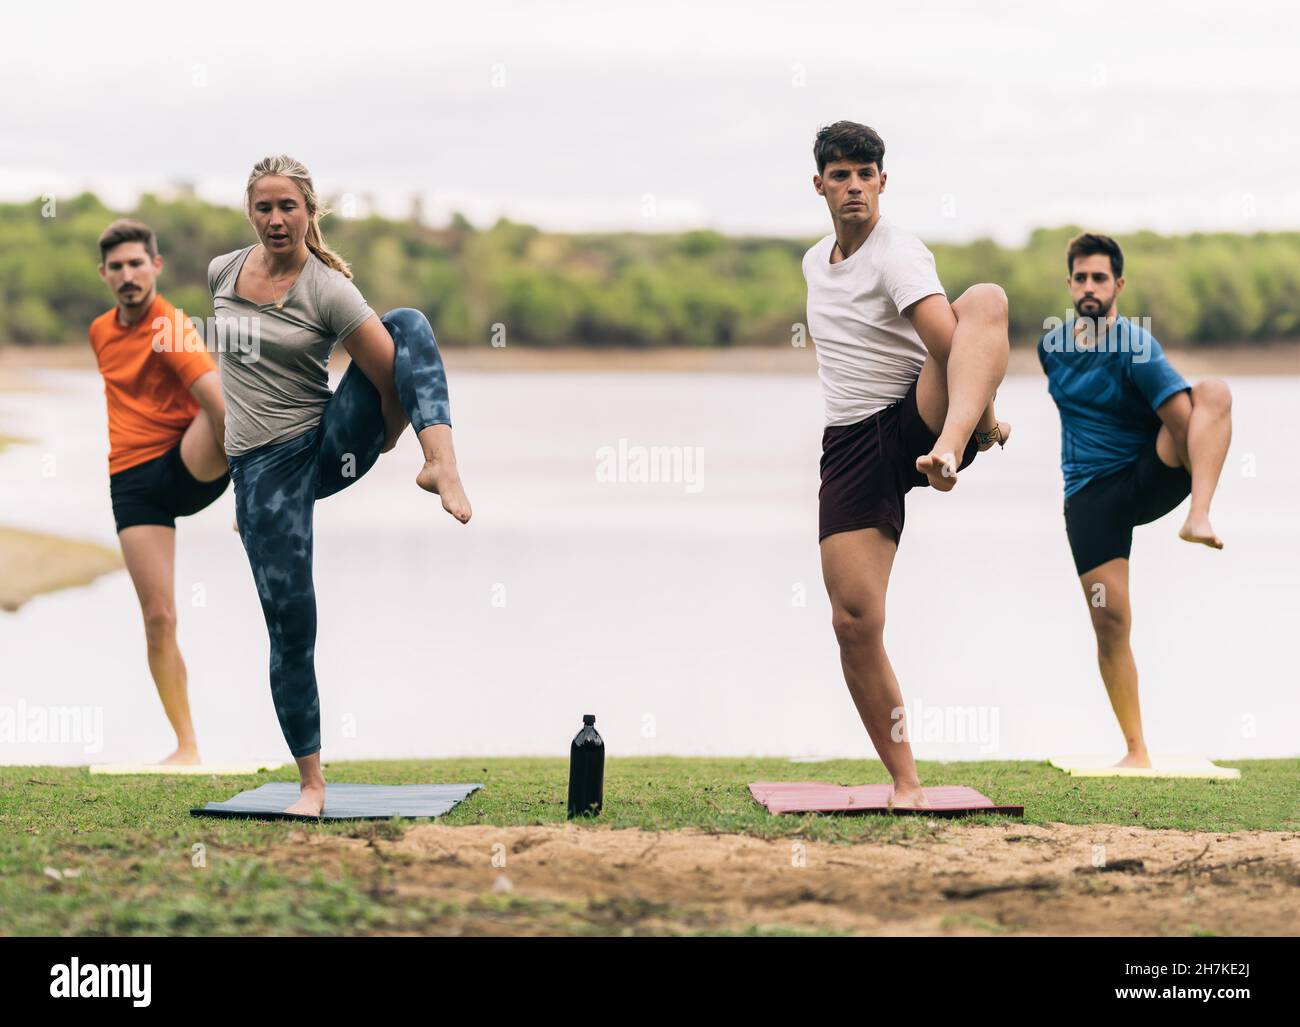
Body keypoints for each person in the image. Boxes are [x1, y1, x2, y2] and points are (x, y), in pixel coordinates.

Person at [210, 154, 472, 816]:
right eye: (265, 207)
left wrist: (381, 437)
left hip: (325, 445)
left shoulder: (326, 287)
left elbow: (388, 370)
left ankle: (440, 461)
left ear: (309, 211)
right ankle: (312, 783)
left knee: (409, 322)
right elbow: (233, 380)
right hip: (262, 472)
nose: (276, 219)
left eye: (288, 207)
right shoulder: (220, 272)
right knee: (292, 625)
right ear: (251, 212)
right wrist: (243, 490)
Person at [806, 121, 1012, 809]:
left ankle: (953, 447)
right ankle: (906, 782)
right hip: (850, 443)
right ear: (821, 185)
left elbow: (952, 345)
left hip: (917, 417)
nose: (855, 185)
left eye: (867, 174)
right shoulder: (814, 262)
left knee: (984, 299)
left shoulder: (900, 255)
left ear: (883, 183)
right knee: (852, 620)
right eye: (841, 174)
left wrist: (972, 424)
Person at [1039, 232, 1232, 768]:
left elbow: (1182, 422)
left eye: (1100, 277)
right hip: (1089, 494)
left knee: (1212, 392)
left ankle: (1199, 515)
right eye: (1080, 277)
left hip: (1150, 474)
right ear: (1070, 282)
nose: (1089, 286)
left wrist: (1195, 481)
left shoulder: (1137, 347)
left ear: (1118, 284)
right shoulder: (1050, 348)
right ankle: (1136, 749)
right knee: (1110, 621)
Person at [90, 218, 230, 764]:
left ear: (156, 267)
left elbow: (219, 404)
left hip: (187, 463)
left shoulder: (170, 326)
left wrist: (248, 492)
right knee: (160, 617)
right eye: (117, 267)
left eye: (137, 264)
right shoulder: (100, 331)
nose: (128, 275)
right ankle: (186, 746)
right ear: (105, 274)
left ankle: (264, 482)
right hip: (133, 481)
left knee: (225, 400)